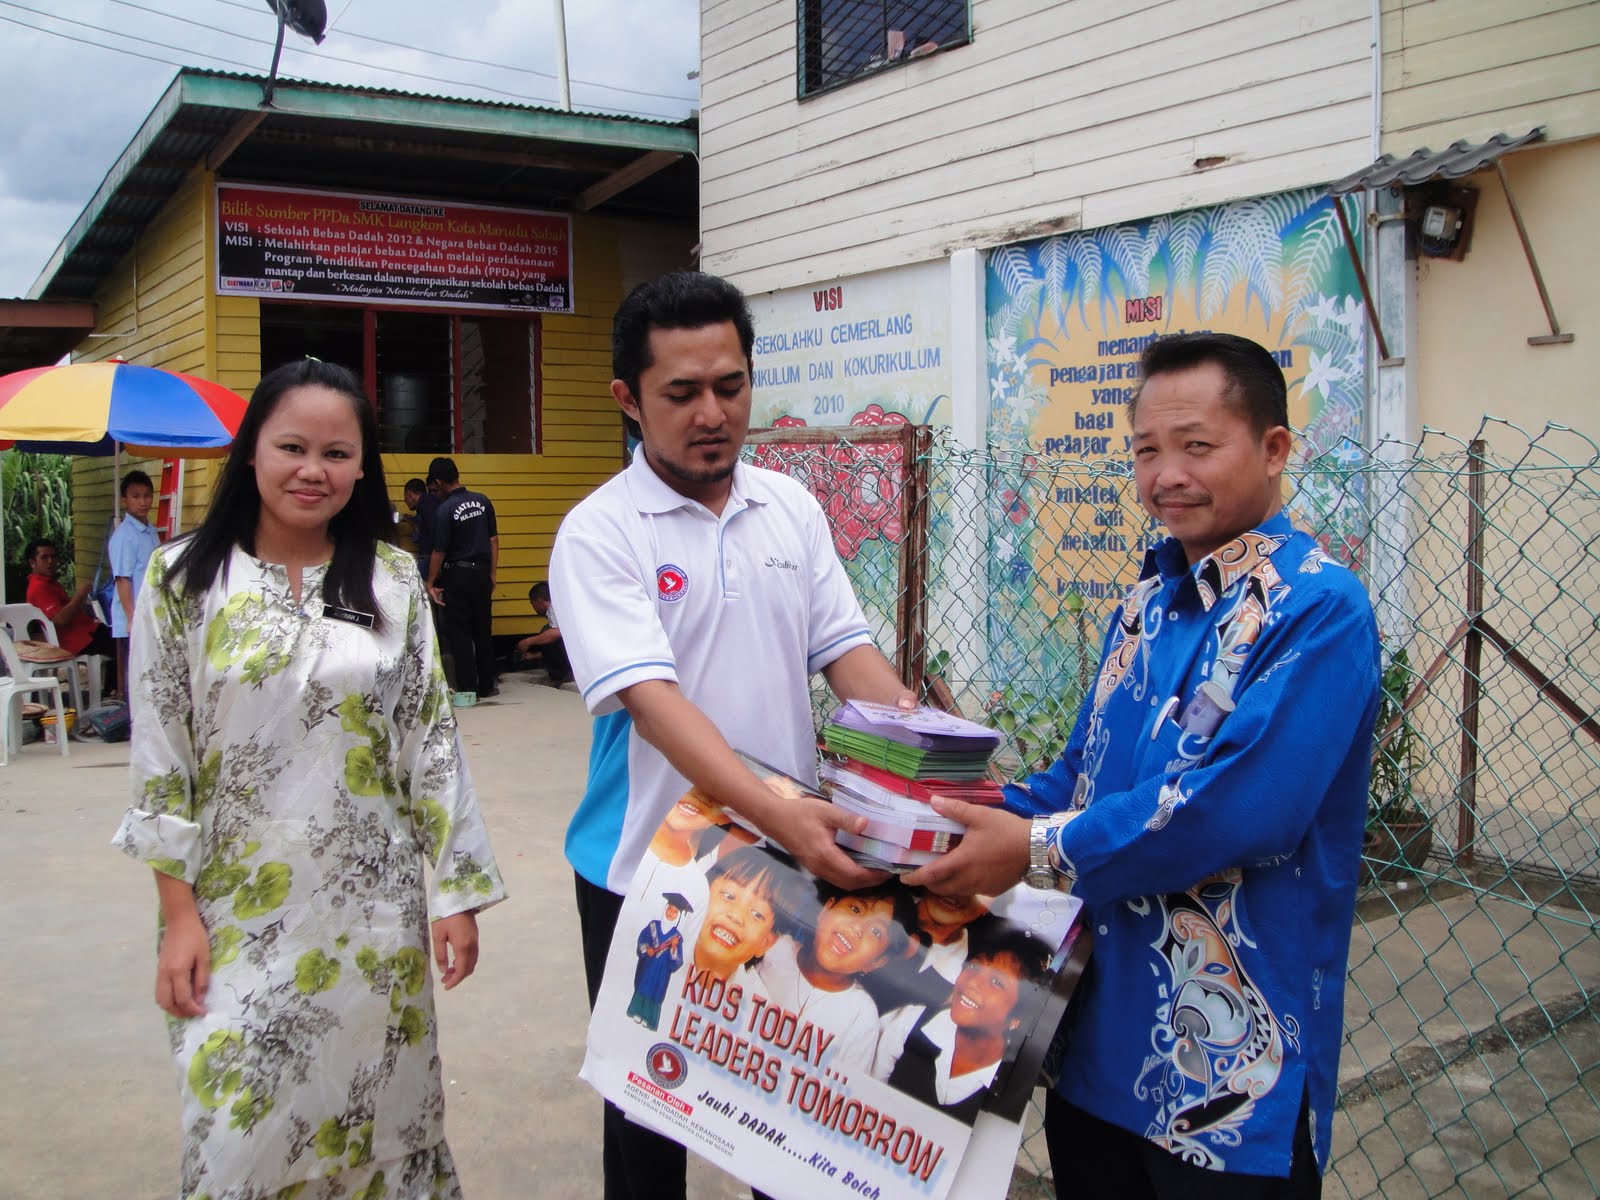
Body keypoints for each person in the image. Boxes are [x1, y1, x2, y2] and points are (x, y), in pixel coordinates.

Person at [904, 332, 1381, 1198]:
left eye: (1197, 446)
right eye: (1147, 451)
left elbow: (1230, 810)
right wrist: (938, 806)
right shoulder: (1142, 607)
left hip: (1230, 1081)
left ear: (1275, 448)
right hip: (1092, 1048)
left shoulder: (1319, 609)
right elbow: (1075, 781)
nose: (1168, 475)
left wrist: (1035, 846)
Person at [549, 270, 915, 1200]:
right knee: (650, 1110)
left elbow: (852, 659)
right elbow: (657, 705)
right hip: (644, 873)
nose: (712, 413)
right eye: (681, 393)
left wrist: (932, 761)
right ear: (629, 399)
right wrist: (781, 817)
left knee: (792, 1111)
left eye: (731, 385)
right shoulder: (600, 534)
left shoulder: (788, 506)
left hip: (786, 867)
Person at [111, 358, 506, 1200]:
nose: (312, 470)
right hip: (235, 916)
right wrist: (177, 917)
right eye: (292, 446)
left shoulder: (393, 579)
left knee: (383, 1123)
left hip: (372, 918)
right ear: (251, 451)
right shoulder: (182, 582)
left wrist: (456, 892)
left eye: (337, 452)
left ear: (363, 466)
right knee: (237, 1133)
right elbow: (161, 760)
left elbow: (430, 741)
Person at [883, 925, 1048, 1125]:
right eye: (974, 966)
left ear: (1015, 1019)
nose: (973, 982)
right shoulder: (909, 1021)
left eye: (996, 981)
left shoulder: (1011, 1080)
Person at [755, 881, 914, 1074]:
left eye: (876, 931)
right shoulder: (769, 947)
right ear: (825, 910)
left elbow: (847, 1086)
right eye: (855, 909)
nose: (857, 928)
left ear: (876, 962)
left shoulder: (861, 1014)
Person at [424, 456, 499, 703]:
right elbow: (493, 540)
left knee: (460, 634)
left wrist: (431, 581)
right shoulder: (483, 501)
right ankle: (488, 686)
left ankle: (467, 692)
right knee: (482, 630)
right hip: (482, 572)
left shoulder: (444, 510)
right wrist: (492, 573)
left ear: (437, 482)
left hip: (457, 573)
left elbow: (439, 550)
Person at [105, 469, 160, 699]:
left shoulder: (150, 530)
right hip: (132, 617)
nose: (143, 501)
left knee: (150, 671)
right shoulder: (124, 535)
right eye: (136, 496)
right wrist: (131, 617)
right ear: (125, 500)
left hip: (149, 614)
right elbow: (122, 579)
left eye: (147, 496)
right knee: (135, 674)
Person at [24, 536, 116, 665]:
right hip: (75, 641)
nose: (50, 561)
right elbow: (60, 619)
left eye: (53, 556)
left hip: (86, 632)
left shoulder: (50, 583)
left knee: (120, 637)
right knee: (121, 643)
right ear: (32, 562)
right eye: (44, 557)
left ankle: (113, 685)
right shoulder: (39, 588)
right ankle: (115, 685)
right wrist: (80, 595)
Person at [628, 892, 690, 1030]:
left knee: (656, 991)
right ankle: (636, 1011)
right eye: (670, 909)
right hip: (648, 966)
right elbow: (642, 939)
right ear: (665, 908)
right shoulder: (653, 926)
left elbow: (676, 962)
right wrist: (647, 948)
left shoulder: (677, 937)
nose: (671, 913)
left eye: (675, 912)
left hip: (661, 972)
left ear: (678, 916)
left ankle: (648, 1018)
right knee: (643, 985)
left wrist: (673, 947)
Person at [515, 581, 571, 684]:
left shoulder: (554, 607)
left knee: (547, 633)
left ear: (539, 601)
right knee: (546, 631)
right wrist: (534, 656)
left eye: (533, 604)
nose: (534, 608)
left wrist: (528, 641)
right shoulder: (558, 605)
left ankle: (560, 676)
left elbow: (558, 633)